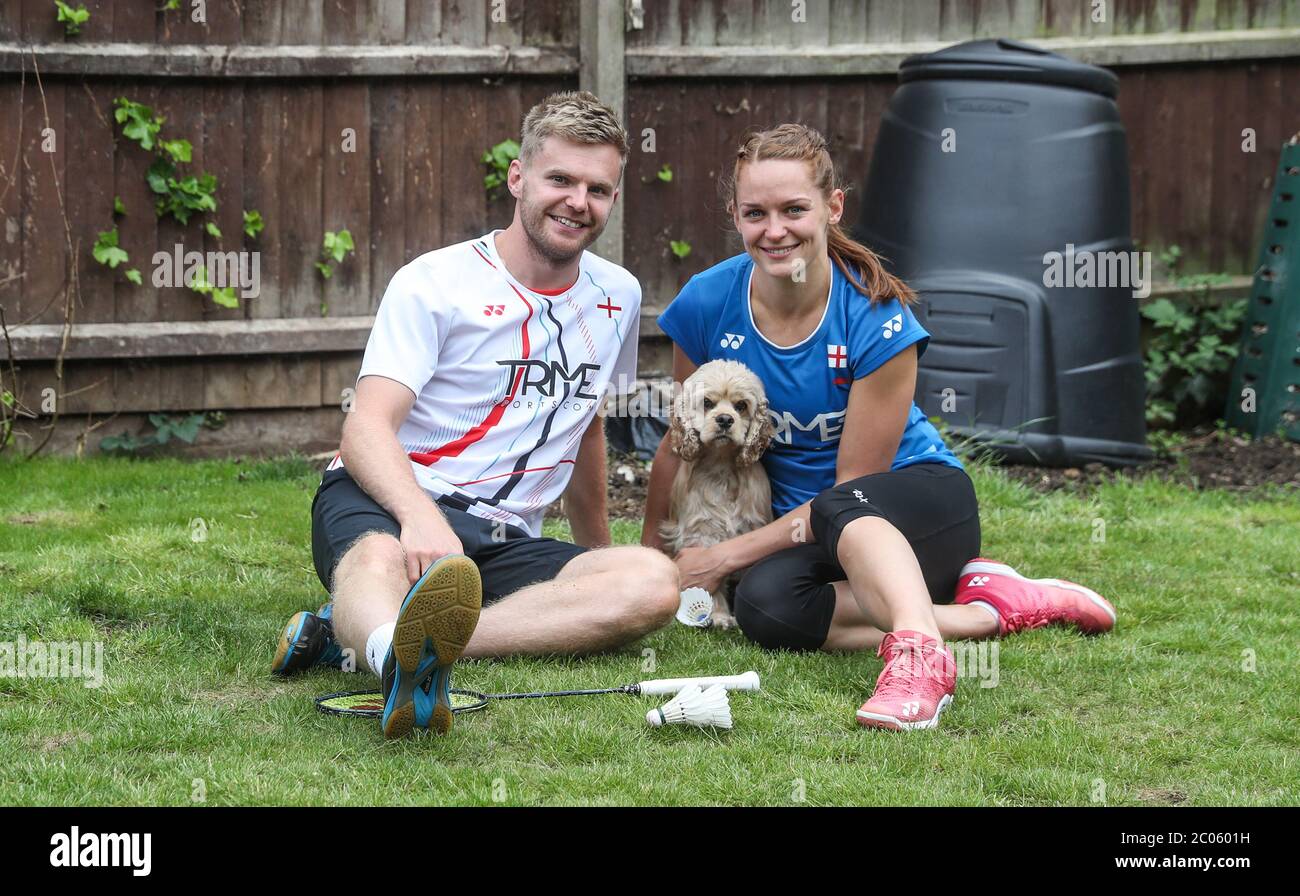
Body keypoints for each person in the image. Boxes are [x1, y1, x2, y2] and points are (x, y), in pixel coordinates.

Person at [642, 124, 1116, 732]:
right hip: (804, 535)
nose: (774, 230)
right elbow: (681, 442)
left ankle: (920, 655)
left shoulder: (873, 311)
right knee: (766, 609)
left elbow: (851, 490)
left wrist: (724, 556)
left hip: (911, 511)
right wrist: (654, 566)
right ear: (735, 215)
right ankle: (989, 611)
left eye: (794, 209)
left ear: (833, 207)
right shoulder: (708, 301)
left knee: (840, 506)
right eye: (755, 212)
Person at [275, 91, 680, 739]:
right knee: (375, 559)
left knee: (653, 583)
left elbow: (587, 425)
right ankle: (390, 658)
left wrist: (593, 561)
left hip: (501, 539)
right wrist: (417, 518)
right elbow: (365, 427)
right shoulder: (434, 282)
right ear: (518, 178)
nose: (579, 201)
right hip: (389, 497)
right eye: (560, 180)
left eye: (598, 189)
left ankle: (369, 638)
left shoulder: (619, 295)